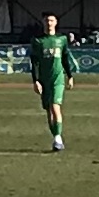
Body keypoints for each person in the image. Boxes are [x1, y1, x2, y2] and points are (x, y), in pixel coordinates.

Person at [29, 13, 80, 151]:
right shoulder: (38, 41)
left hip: (58, 79)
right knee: (49, 111)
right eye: (46, 20)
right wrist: (36, 81)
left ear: (56, 22)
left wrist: (69, 76)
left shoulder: (61, 39)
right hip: (44, 80)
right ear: (42, 22)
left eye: (51, 20)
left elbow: (65, 58)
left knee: (55, 106)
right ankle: (56, 137)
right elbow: (34, 63)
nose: (49, 23)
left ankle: (58, 139)